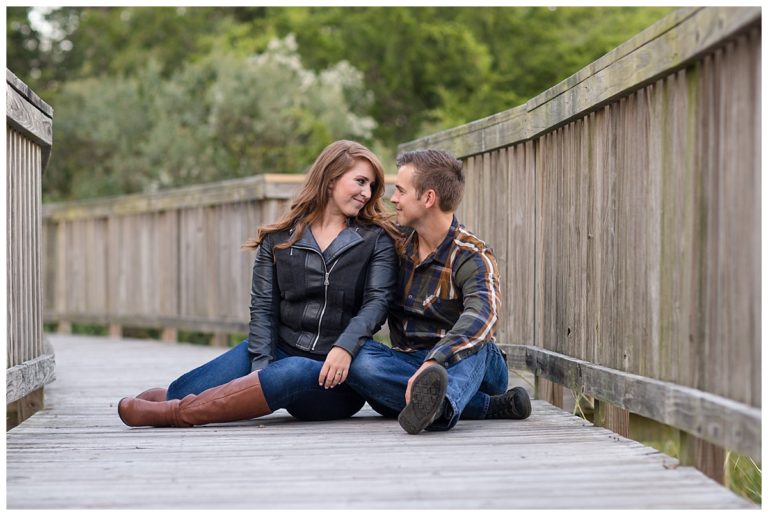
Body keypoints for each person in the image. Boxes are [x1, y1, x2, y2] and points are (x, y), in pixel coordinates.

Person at [117, 140, 400, 427]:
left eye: (371, 186)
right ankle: (172, 399)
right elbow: (264, 308)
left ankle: (181, 415)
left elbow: (377, 303)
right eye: (361, 182)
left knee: (295, 370)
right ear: (330, 179)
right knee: (179, 391)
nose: (367, 193)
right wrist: (260, 370)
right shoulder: (279, 239)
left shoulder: (376, 240)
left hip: (336, 373)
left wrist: (345, 348)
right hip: (280, 348)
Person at [344, 149, 532, 434]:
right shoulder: (393, 244)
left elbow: (483, 317)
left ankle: (440, 404)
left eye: (401, 191)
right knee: (359, 362)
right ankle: (484, 407)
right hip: (410, 359)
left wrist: (436, 360)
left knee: (472, 340)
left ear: (428, 198)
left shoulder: (472, 255)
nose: (393, 199)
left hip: (472, 364)